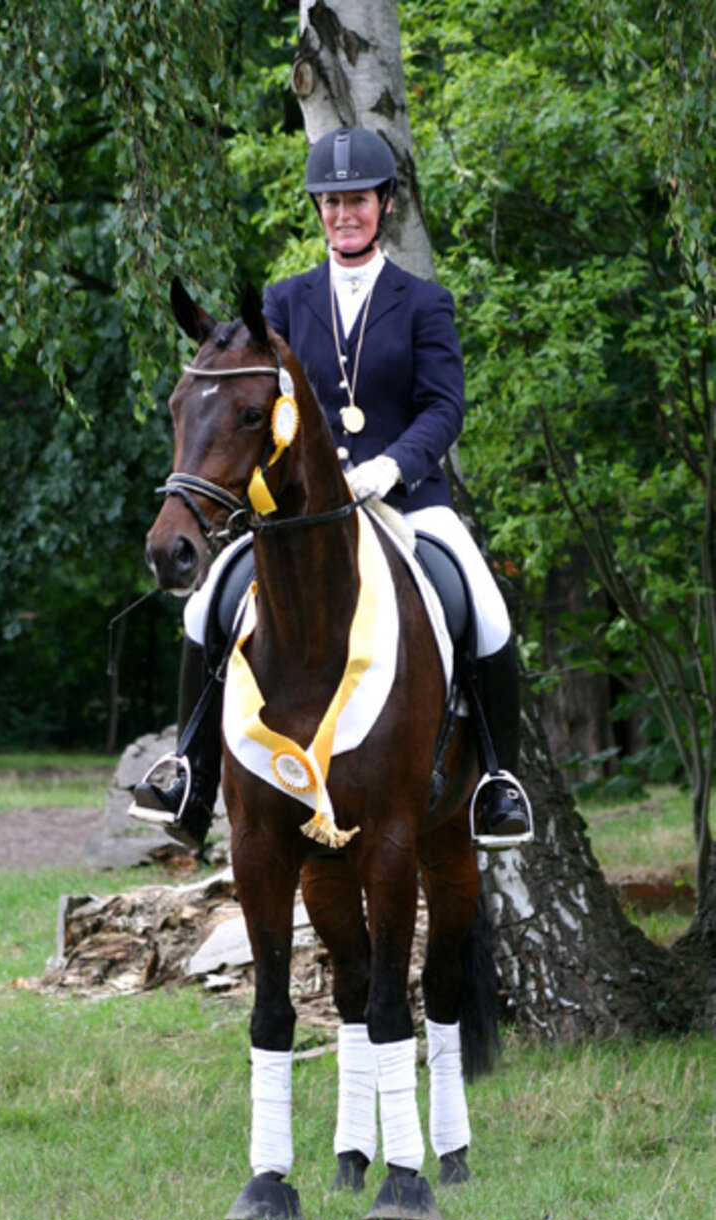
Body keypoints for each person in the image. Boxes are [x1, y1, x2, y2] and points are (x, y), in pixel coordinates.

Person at [131, 125, 533, 852]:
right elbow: (255, 396)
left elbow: (443, 407)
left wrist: (390, 466)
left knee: (483, 604)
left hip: (406, 500)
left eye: (356, 200)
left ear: (383, 205)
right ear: (318, 210)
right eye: (330, 201)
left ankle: (498, 782)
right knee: (206, 608)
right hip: (303, 514)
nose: (343, 213)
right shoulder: (283, 302)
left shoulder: (422, 303)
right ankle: (188, 771)